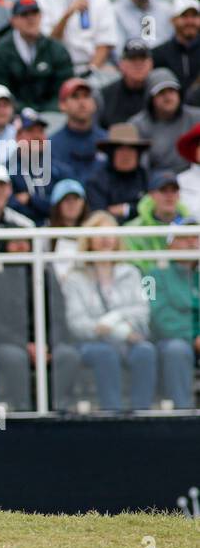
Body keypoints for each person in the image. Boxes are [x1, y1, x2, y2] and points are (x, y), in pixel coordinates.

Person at [63, 210, 158, 412]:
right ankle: (112, 414)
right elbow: (76, 322)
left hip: (127, 340)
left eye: (110, 234)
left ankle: (142, 415)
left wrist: (115, 320)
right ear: (88, 240)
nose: (106, 239)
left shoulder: (131, 273)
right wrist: (109, 329)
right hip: (91, 343)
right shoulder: (75, 278)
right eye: (99, 234)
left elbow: (142, 311)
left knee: (145, 351)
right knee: (105, 354)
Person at [0, 235, 81, 411]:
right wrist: (27, 346)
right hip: (9, 343)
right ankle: (23, 408)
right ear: (5, 247)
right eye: (15, 242)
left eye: (25, 242)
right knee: (15, 358)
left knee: (67, 355)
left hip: (46, 343)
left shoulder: (45, 277)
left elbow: (58, 316)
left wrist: (47, 344)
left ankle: (54, 405)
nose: (21, 247)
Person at [143, 219, 200, 409]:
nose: (192, 242)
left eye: (196, 237)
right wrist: (194, 337)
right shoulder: (152, 275)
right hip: (167, 341)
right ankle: (184, 412)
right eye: (184, 237)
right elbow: (157, 318)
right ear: (171, 243)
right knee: (177, 350)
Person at [0, 0, 75, 113]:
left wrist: (48, 112)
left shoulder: (56, 49)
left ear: (41, 16)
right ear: (13, 21)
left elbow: (63, 90)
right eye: (24, 15)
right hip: (11, 116)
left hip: (52, 115)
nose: (31, 19)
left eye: (35, 13)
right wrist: (25, 112)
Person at [130, 69, 200, 181]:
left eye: (172, 91)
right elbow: (141, 167)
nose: (168, 97)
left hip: (195, 179)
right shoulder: (137, 125)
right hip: (157, 184)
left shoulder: (197, 118)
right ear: (150, 98)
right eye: (161, 93)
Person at [85, 123, 151, 222]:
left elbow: (154, 209)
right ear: (111, 153)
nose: (126, 156)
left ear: (138, 153)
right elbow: (98, 215)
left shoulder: (147, 178)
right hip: (108, 235)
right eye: (121, 150)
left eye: (131, 150)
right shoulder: (96, 181)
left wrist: (127, 209)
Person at [123, 172, 188, 267]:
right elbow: (136, 266)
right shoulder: (132, 230)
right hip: (147, 280)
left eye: (174, 190)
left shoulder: (193, 226)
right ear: (151, 195)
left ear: (179, 195)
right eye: (163, 190)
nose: (169, 196)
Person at [50, 77, 106, 185]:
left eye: (86, 96)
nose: (82, 102)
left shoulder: (107, 141)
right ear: (62, 105)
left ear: (94, 104)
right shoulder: (52, 145)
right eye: (75, 96)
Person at [151, 0, 200, 108]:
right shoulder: (158, 54)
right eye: (184, 16)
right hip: (170, 113)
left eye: (194, 16)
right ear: (173, 20)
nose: (190, 21)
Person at [96, 38, 152, 129]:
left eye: (142, 58)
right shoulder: (106, 95)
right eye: (132, 59)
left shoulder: (158, 92)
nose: (138, 64)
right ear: (121, 64)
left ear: (151, 64)